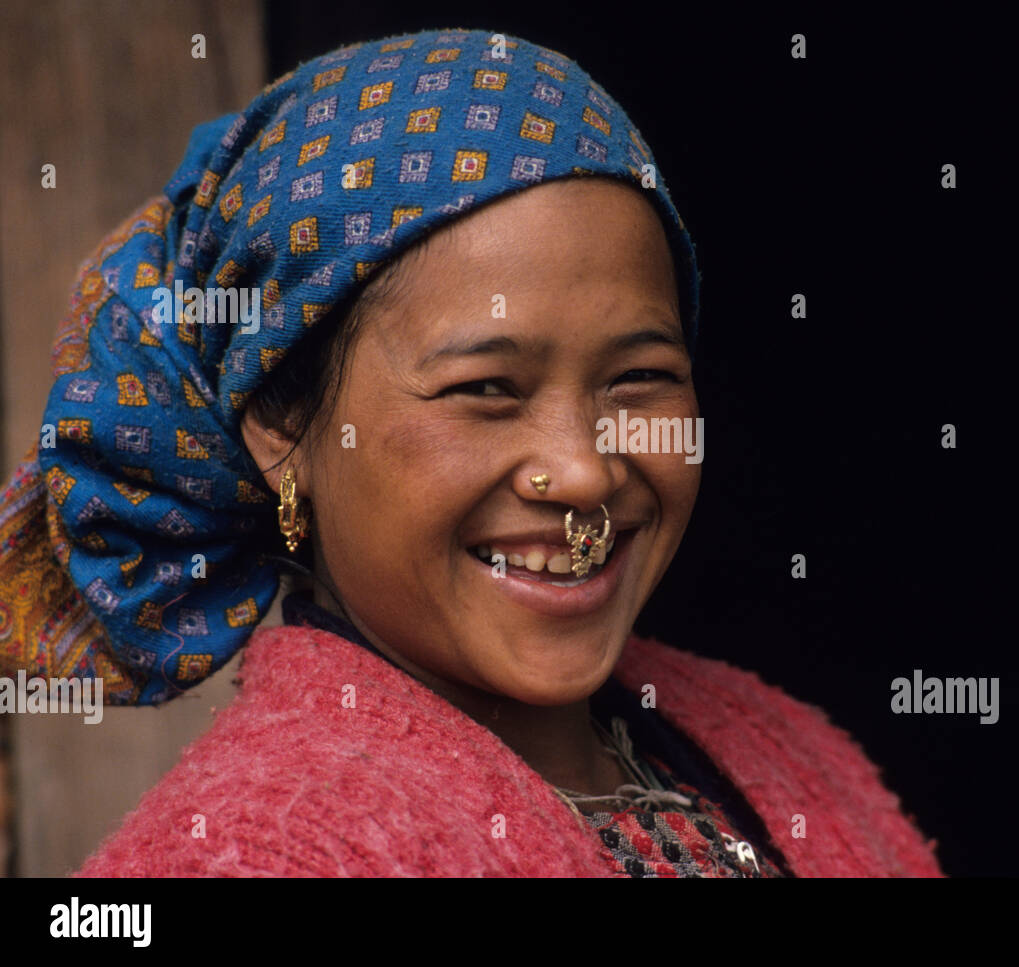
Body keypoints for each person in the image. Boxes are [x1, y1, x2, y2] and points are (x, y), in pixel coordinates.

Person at [0, 27, 942, 877]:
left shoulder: (787, 753)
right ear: (282, 429)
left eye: (637, 377)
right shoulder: (254, 856)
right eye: (486, 390)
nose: (582, 470)